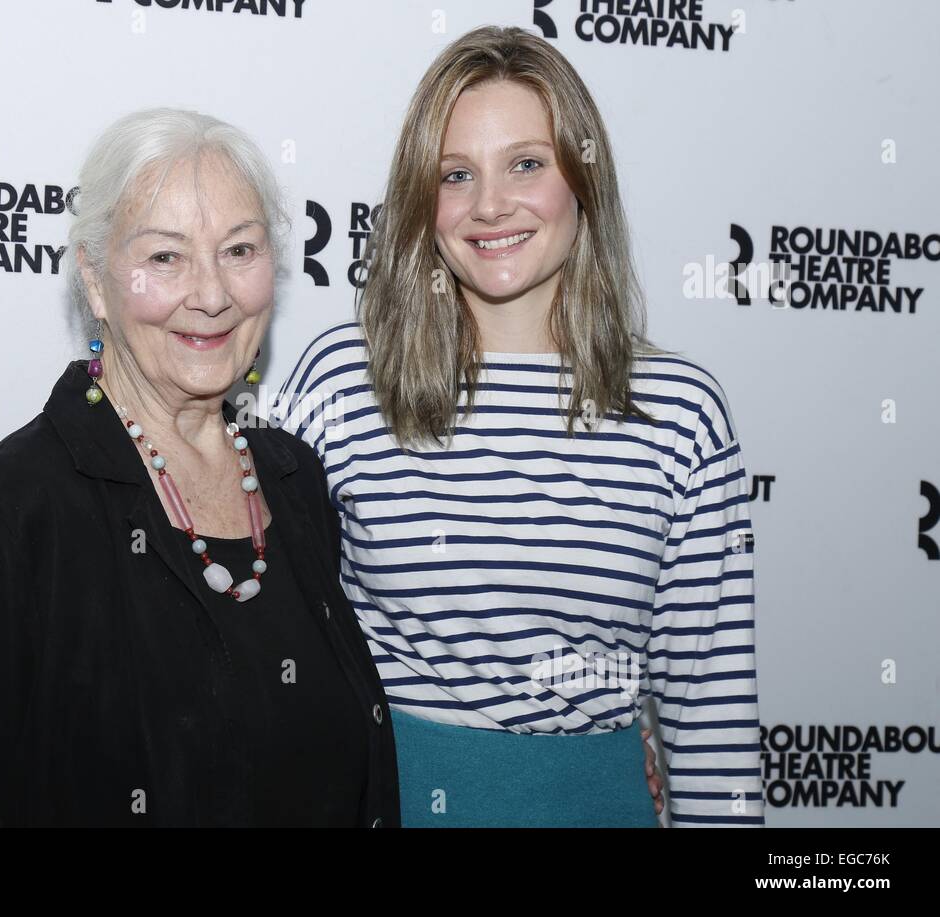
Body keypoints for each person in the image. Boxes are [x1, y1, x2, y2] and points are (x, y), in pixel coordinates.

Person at [274, 26, 762, 827]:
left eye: (526, 164)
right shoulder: (343, 381)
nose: (490, 205)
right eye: (455, 174)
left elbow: (710, 717)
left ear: (583, 176)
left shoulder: (681, 412)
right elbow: (248, 627)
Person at [0, 108, 398, 827]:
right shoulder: (13, 514)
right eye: (166, 257)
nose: (213, 294)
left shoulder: (295, 481)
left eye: (239, 250)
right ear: (96, 281)